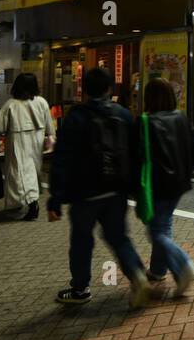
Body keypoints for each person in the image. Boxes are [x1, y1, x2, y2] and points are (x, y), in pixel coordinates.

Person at [48, 66, 150, 307]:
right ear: (109, 89)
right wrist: (135, 187)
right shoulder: (124, 115)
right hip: (117, 190)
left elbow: (62, 158)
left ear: (84, 89)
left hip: (85, 193)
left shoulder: (76, 117)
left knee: (82, 240)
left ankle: (80, 288)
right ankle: (137, 275)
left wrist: (56, 198)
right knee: (119, 238)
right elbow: (136, 155)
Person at [133, 79, 194, 297]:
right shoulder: (180, 117)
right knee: (163, 225)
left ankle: (184, 265)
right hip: (179, 184)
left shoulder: (145, 121)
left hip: (157, 185)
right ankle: (158, 270)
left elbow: (136, 155)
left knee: (157, 233)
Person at [0, 73, 54, 221]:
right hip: (37, 140)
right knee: (32, 171)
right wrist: (50, 137)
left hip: (18, 140)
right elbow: (49, 124)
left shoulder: (11, 104)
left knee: (19, 173)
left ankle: (31, 203)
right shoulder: (41, 102)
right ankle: (22, 202)